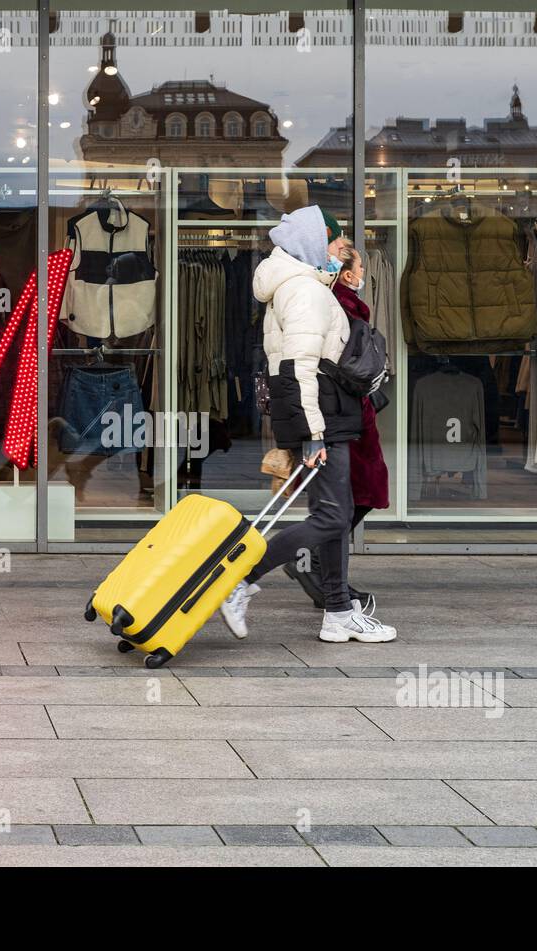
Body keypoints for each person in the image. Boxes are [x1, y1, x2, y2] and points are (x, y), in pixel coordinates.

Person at [218, 205, 397, 644]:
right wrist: (313, 432)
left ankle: (338, 611)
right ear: (313, 244)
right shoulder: (304, 291)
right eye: (335, 245)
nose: (340, 253)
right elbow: (298, 367)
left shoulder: (303, 285)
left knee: (333, 514)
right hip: (325, 418)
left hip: (329, 415)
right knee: (332, 517)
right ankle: (240, 578)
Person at [285, 244, 390, 613]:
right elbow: (333, 364)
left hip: (347, 415)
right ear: (348, 274)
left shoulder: (337, 301)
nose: (363, 274)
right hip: (344, 417)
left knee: (351, 500)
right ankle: (319, 576)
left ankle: (331, 588)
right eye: (360, 266)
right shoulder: (338, 305)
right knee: (348, 501)